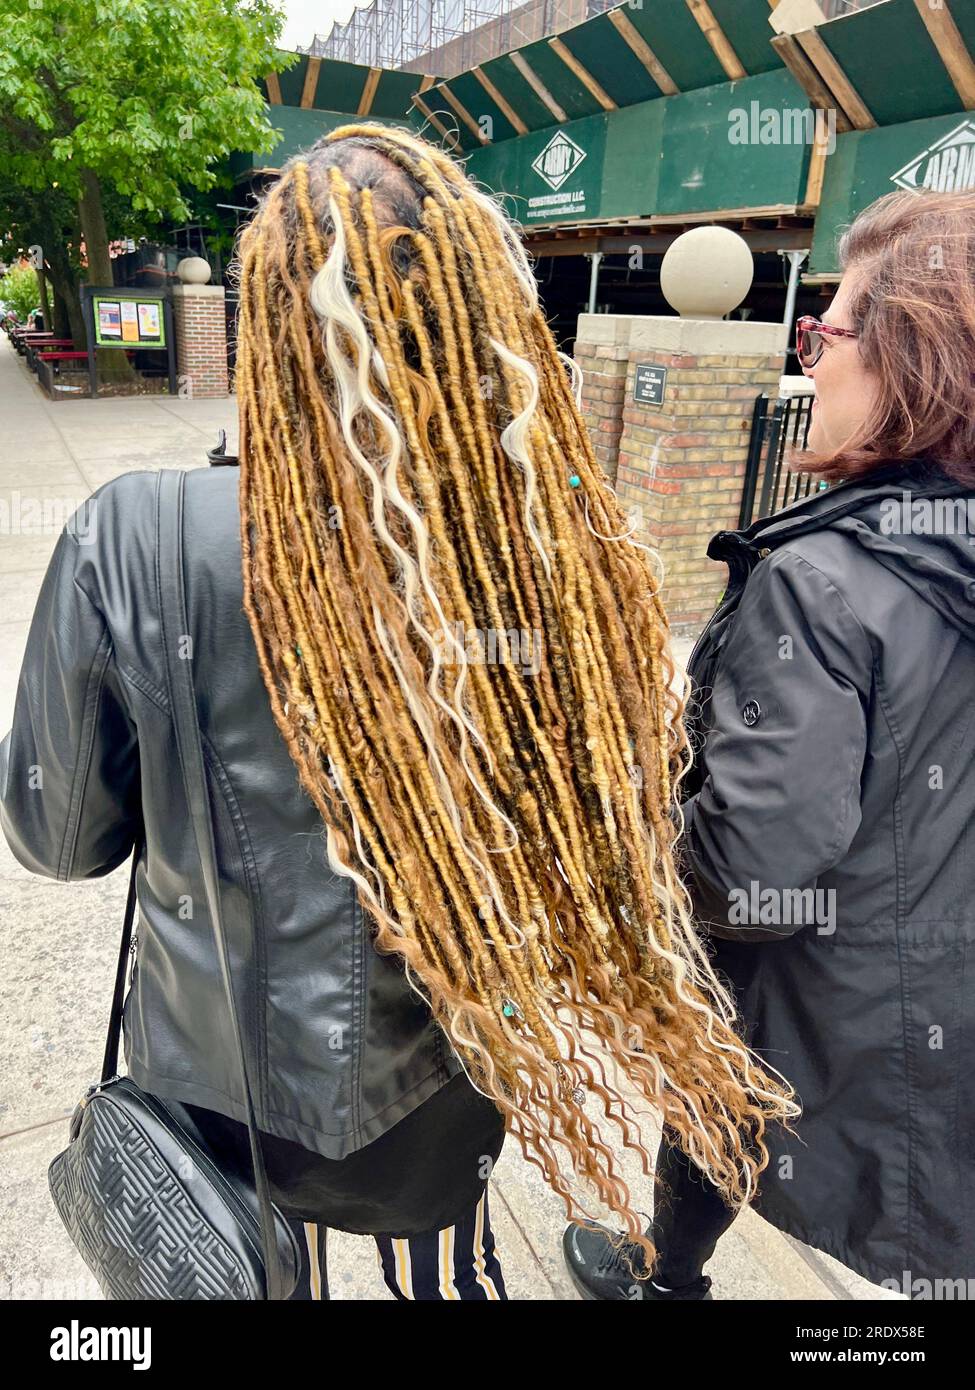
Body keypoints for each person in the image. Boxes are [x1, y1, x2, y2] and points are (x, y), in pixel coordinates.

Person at [0, 125, 796, 1302]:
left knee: (260, 1274)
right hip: (446, 1074)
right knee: (447, 1262)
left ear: (268, 321)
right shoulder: (542, 550)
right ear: (478, 310)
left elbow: (59, 839)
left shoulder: (132, 534)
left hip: (217, 1073)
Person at [564, 189, 975, 1300]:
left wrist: (625, 841)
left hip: (846, 1019)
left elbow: (749, 871)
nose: (809, 366)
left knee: (728, 1087)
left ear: (912, 361)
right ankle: (667, 1266)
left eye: (825, 331)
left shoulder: (823, 588)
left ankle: (666, 1280)